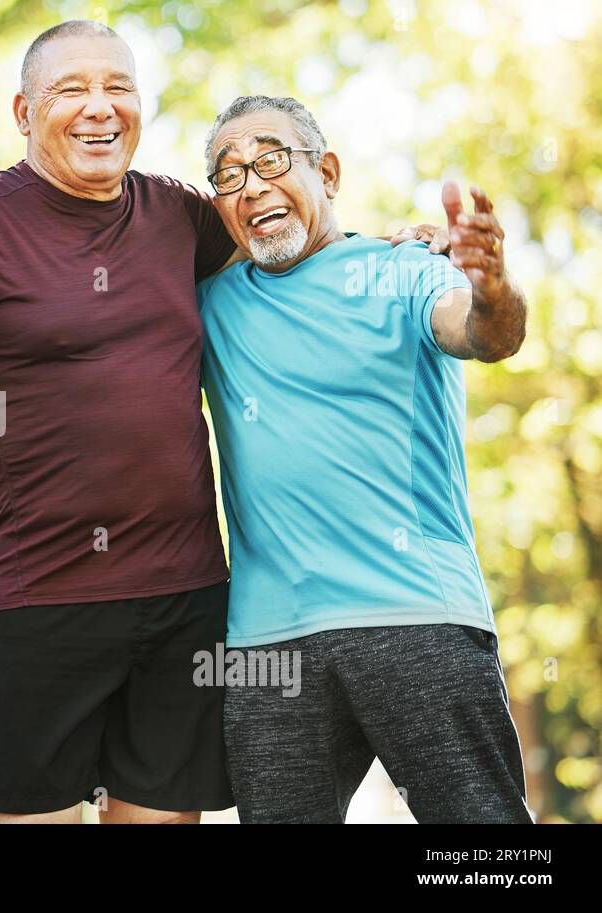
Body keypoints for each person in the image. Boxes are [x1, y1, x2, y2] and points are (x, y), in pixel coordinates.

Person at [0, 21, 441, 824]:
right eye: (71, 91)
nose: (99, 108)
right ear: (24, 112)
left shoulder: (180, 216)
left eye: (118, 88)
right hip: (34, 600)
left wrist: (401, 243)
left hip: (185, 603)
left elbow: (289, 235)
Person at [197, 94, 533, 823]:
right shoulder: (207, 304)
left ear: (329, 171)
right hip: (268, 644)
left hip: (418, 616)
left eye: (270, 160)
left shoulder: (404, 270)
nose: (251, 185)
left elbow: (482, 332)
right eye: (228, 175)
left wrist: (492, 288)